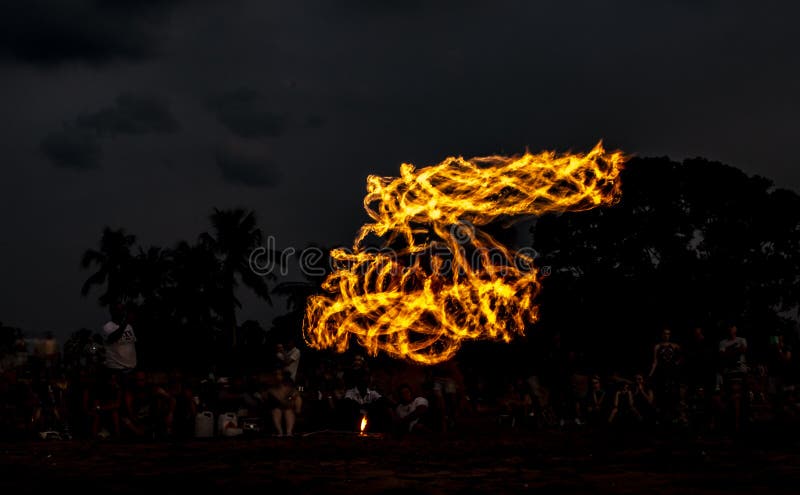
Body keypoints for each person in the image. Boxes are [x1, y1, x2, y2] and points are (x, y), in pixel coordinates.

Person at [649, 328, 681, 423]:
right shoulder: (657, 346)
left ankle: (673, 416)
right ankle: (661, 417)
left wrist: (676, 365)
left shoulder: (675, 346)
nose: (667, 335)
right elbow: (655, 361)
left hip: (672, 372)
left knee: (673, 392)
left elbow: (680, 358)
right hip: (661, 372)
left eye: (668, 334)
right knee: (662, 393)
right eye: (665, 334)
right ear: (662, 335)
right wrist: (650, 374)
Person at [102, 304, 137, 374]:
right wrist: (126, 322)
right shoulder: (107, 326)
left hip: (131, 368)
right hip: (116, 369)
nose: (122, 312)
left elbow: (133, 343)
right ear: (112, 312)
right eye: (119, 310)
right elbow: (112, 338)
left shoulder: (129, 326)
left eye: (123, 310)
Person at [266, 370, 302, 437]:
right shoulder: (271, 388)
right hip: (276, 407)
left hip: (288, 406)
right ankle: (280, 432)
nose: (277, 376)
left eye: (279, 375)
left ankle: (289, 432)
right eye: (276, 374)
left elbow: (296, 395)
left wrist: (295, 405)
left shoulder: (290, 385)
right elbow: (269, 398)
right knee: (276, 411)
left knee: (288, 412)